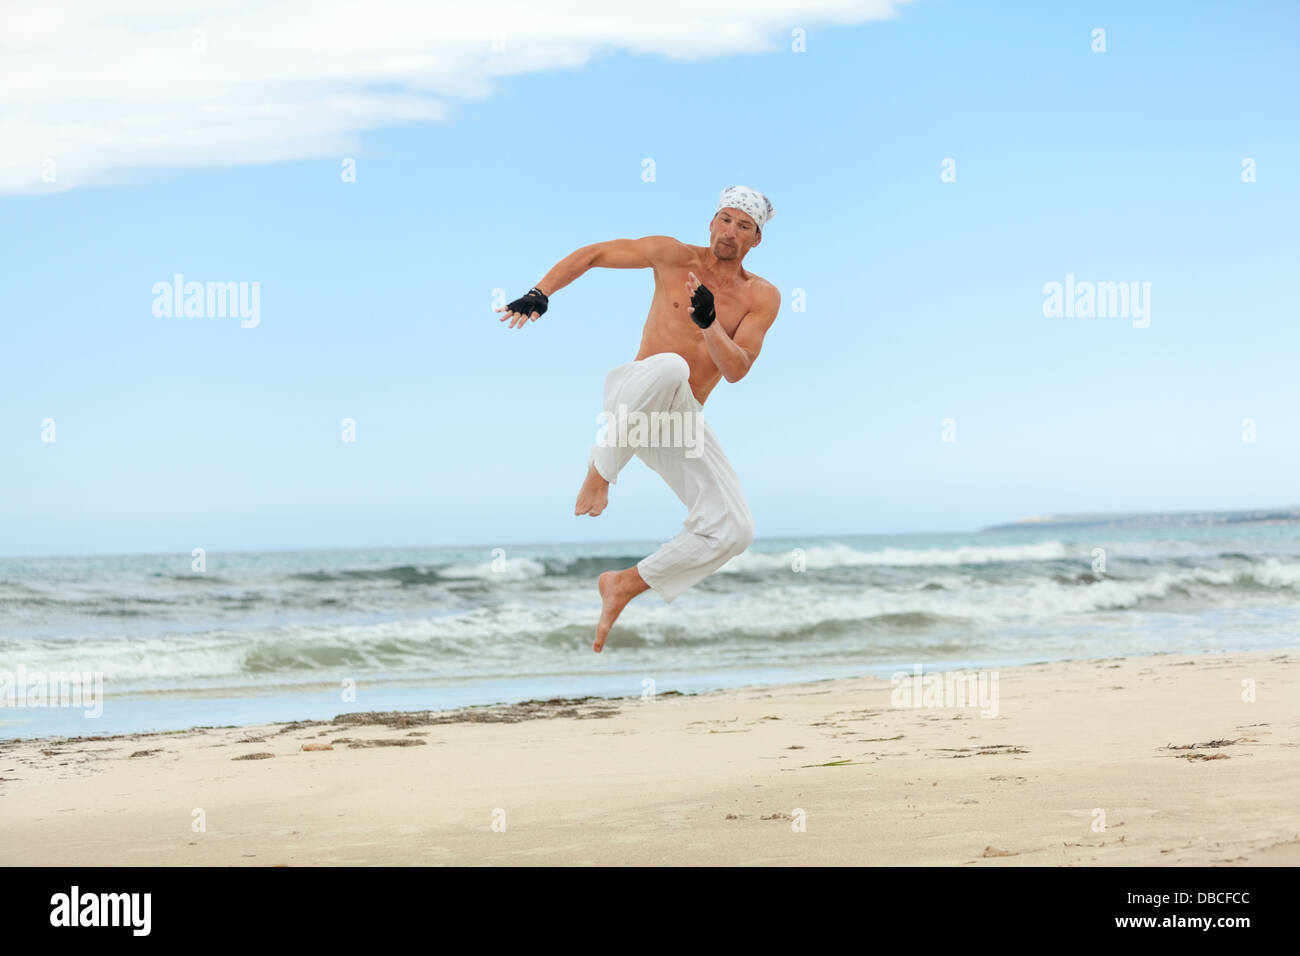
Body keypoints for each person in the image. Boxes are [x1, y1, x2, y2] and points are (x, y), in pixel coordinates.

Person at [496, 186, 779, 652]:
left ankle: (625, 584)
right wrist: (540, 292)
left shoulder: (761, 296)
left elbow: (735, 371)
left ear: (756, 239)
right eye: (725, 220)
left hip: (681, 418)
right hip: (636, 392)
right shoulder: (671, 255)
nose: (731, 232)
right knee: (671, 366)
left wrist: (708, 324)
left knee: (734, 529)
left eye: (743, 226)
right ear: (711, 222)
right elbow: (594, 254)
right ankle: (600, 470)